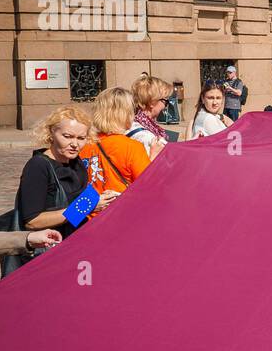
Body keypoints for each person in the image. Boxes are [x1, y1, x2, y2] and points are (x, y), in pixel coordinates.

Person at [15, 106, 117, 242]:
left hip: (74, 241)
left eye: (81, 138)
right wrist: (87, 207)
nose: (75, 144)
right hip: (49, 246)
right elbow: (32, 221)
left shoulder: (76, 162)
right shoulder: (38, 166)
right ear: (51, 133)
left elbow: (74, 200)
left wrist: (99, 199)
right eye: (67, 136)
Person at [80, 88, 151, 192]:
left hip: (89, 206)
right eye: (133, 111)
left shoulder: (82, 144)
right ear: (126, 114)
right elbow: (148, 184)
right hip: (121, 206)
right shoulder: (132, 147)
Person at [128, 73, 174, 159]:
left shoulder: (131, 122)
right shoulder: (146, 137)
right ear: (152, 102)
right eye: (165, 101)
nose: (166, 107)